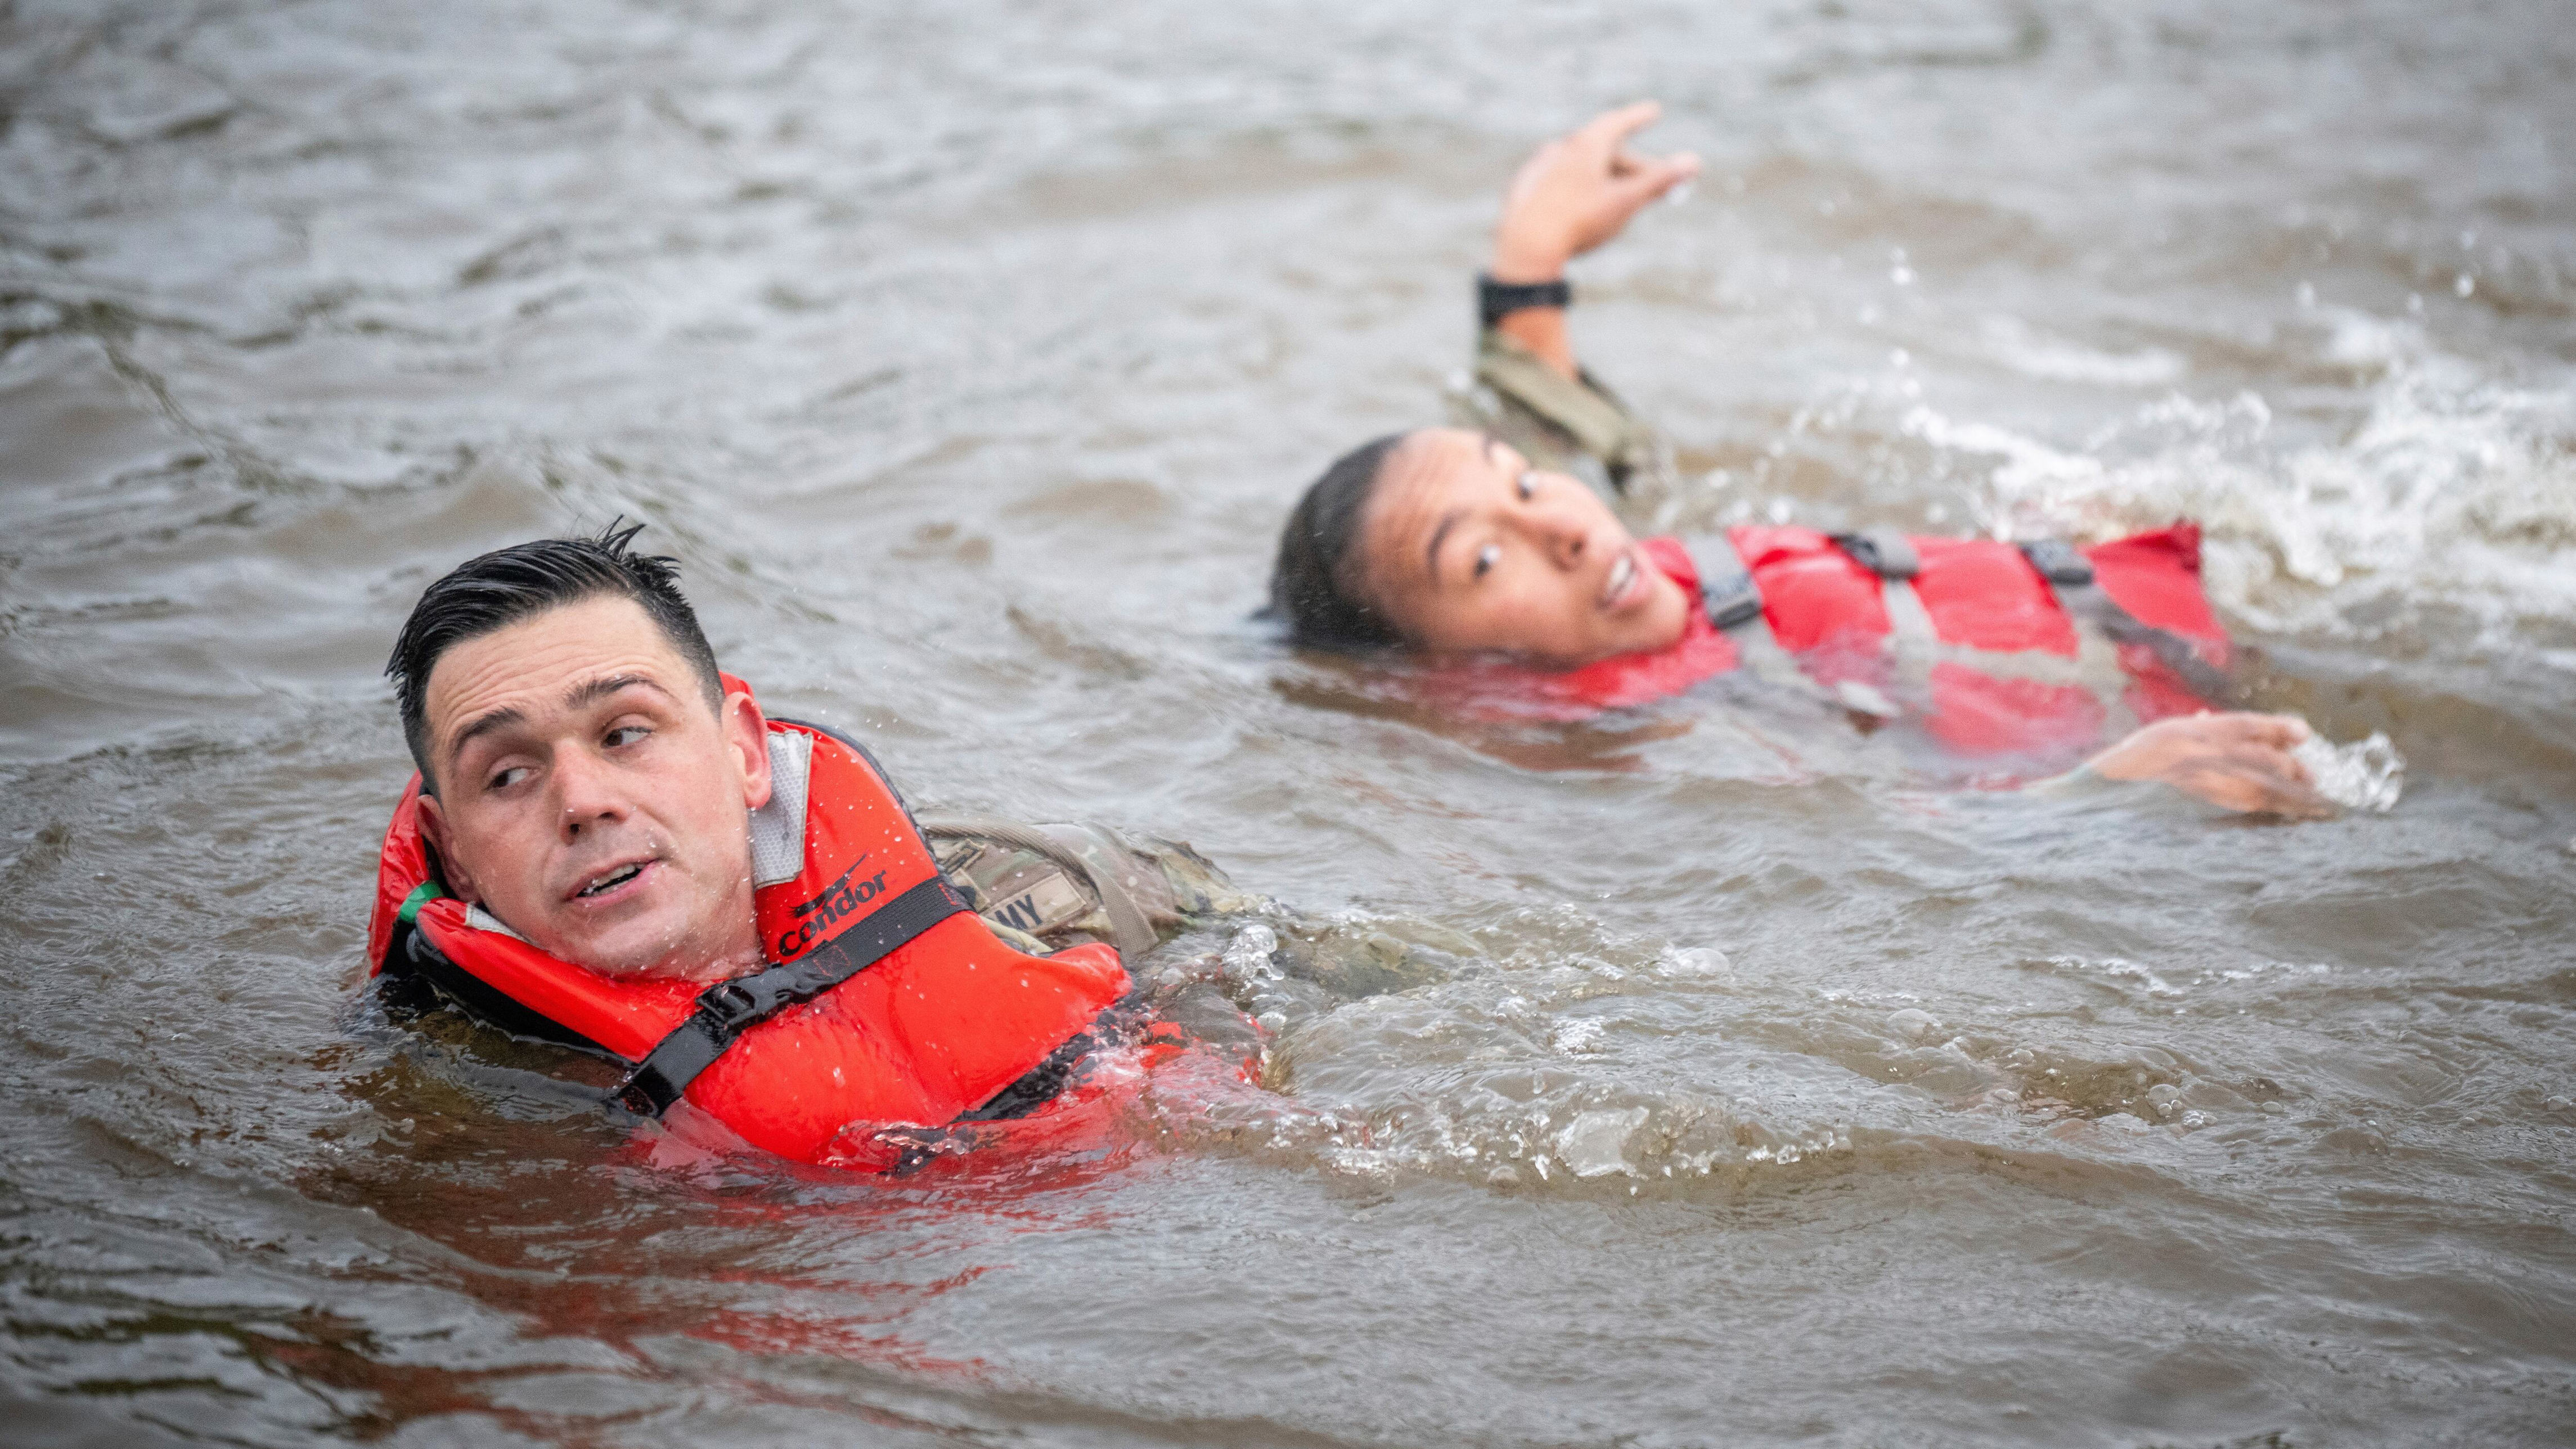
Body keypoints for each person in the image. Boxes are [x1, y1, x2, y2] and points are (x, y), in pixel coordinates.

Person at [1267, 103, 2330, 817]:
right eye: (1485, 562)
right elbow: (1918, 861)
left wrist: (1529, 257)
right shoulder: (1684, 744)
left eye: (1527, 484)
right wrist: (2112, 795)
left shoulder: (1628, 568)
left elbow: (1555, 439)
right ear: (1446, 683)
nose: (1564, 526)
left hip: (2197, 594)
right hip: (2234, 748)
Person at [367, 524, 1264, 1171]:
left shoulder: (1055, 890)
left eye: (626, 733)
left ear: (746, 753)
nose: (582, 802)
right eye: (508, 776)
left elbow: (1299, 975)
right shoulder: (443, 1108)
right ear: (455, 853)